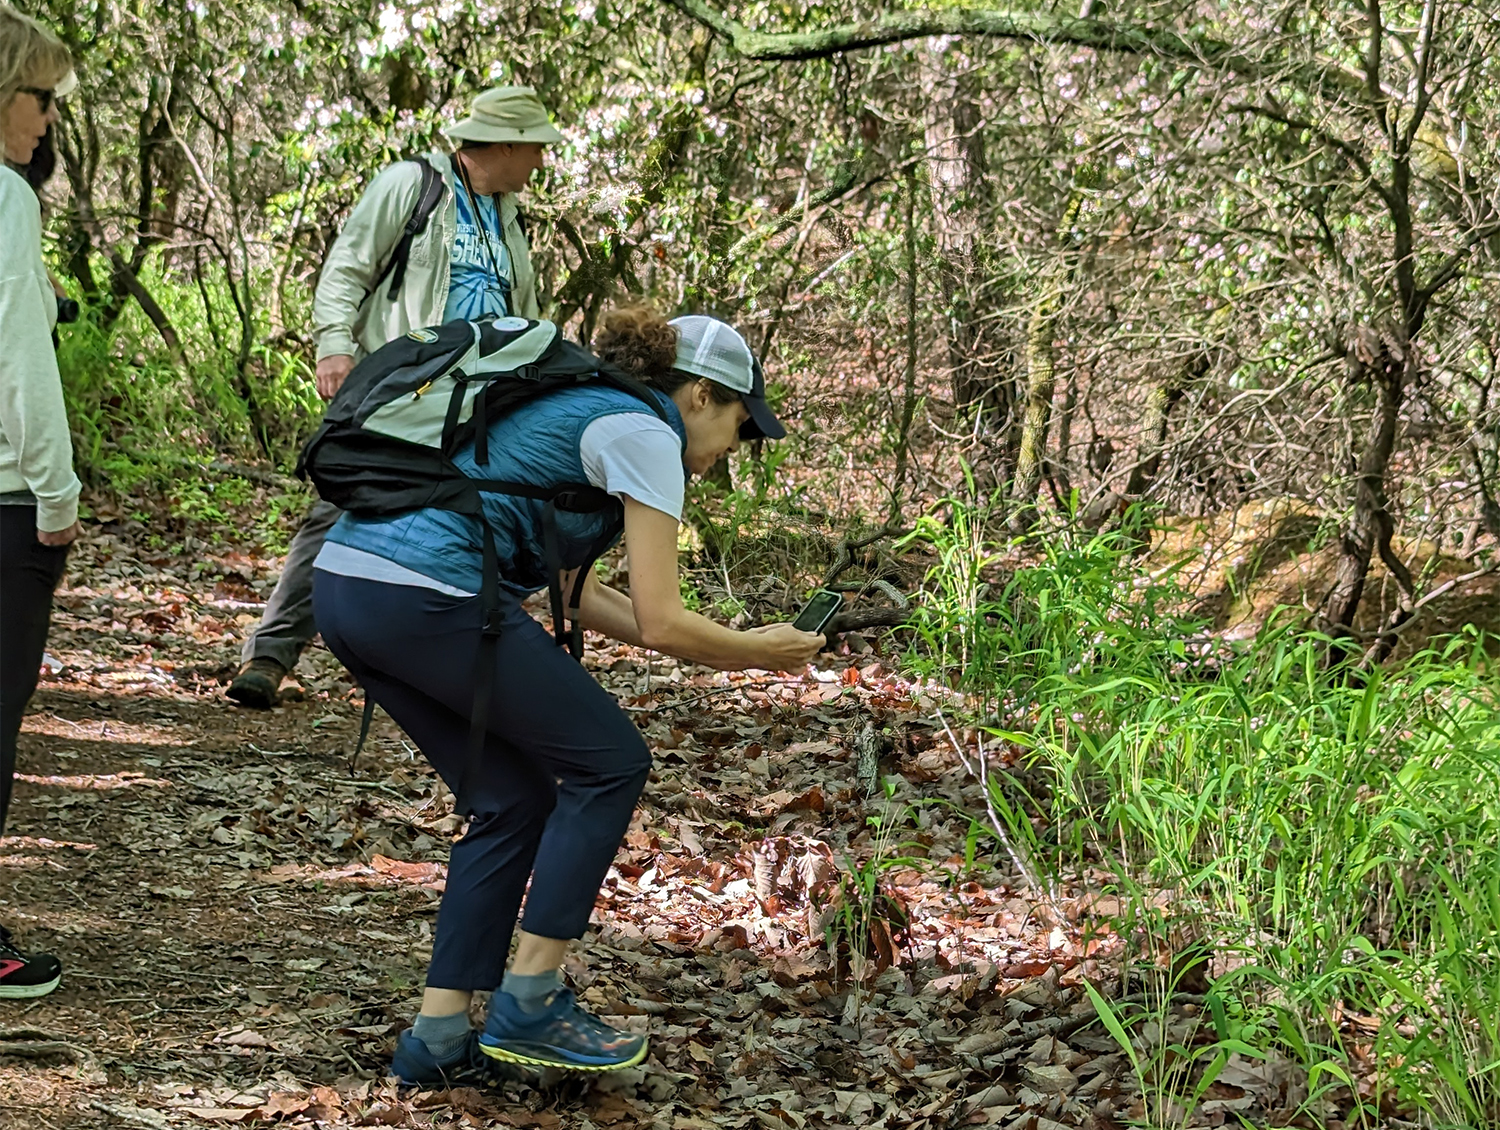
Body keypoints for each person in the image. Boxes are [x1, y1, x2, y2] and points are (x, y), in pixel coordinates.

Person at [311, 307, 823, 1084]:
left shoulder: (587, 410)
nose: (731, 453)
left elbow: (579, 594)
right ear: (697, 397)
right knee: (610, 764)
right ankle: (530, 998)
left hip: (350, 584)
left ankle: (437, 1040)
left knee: (511, 796)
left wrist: (730, 644)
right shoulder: (647, 434)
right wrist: (755, 652)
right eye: (740, 428)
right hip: (427, 592)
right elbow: (662, 617)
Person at [227, 85, 562, 709]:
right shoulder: (413, 186)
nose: (540, 162)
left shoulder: (509, 216)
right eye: (535, 148)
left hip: (478, 407)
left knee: (468, 526)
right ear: (507, 142)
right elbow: (348, 266)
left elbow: (524, 314)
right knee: (340, 510)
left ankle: (438, 668)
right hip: (401, 390)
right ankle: (270, 657)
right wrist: (334, 343)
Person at [0, 3, 79, 999]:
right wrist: (55, 492)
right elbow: (21, 359)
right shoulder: (7, 199)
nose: (46, 123)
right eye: (41, 97)